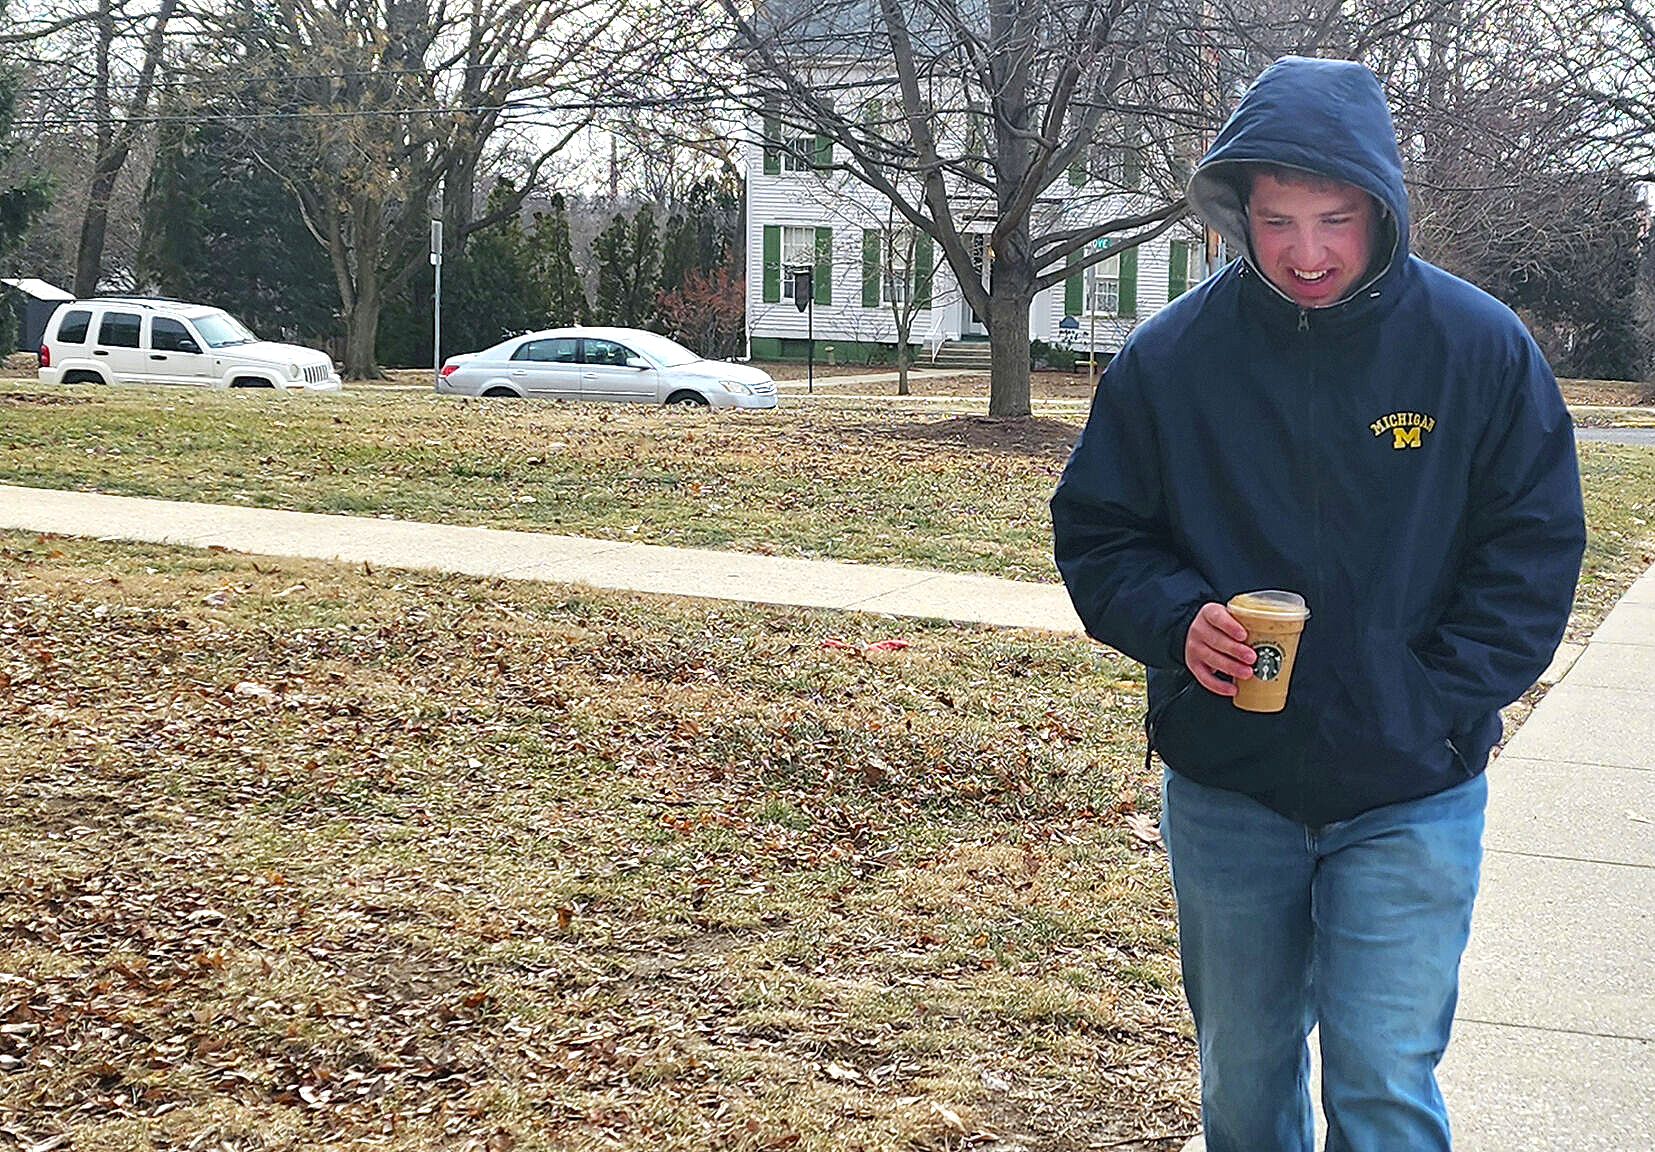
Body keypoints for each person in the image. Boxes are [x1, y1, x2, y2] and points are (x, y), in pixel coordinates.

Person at [1050, 56, 1586, 1152]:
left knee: (1382, 1082)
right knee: (1241, 1084)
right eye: (1276, 220)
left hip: (1407, 787)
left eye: (1333, 218)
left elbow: (1530, 553)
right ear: (1235, 213)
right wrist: (1171, 618)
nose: (1304, 252)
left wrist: (1425, 702)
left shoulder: (1475, 348)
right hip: (1228, 788)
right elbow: (1100, 535)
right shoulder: (1169, 360)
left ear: (1380, 207)